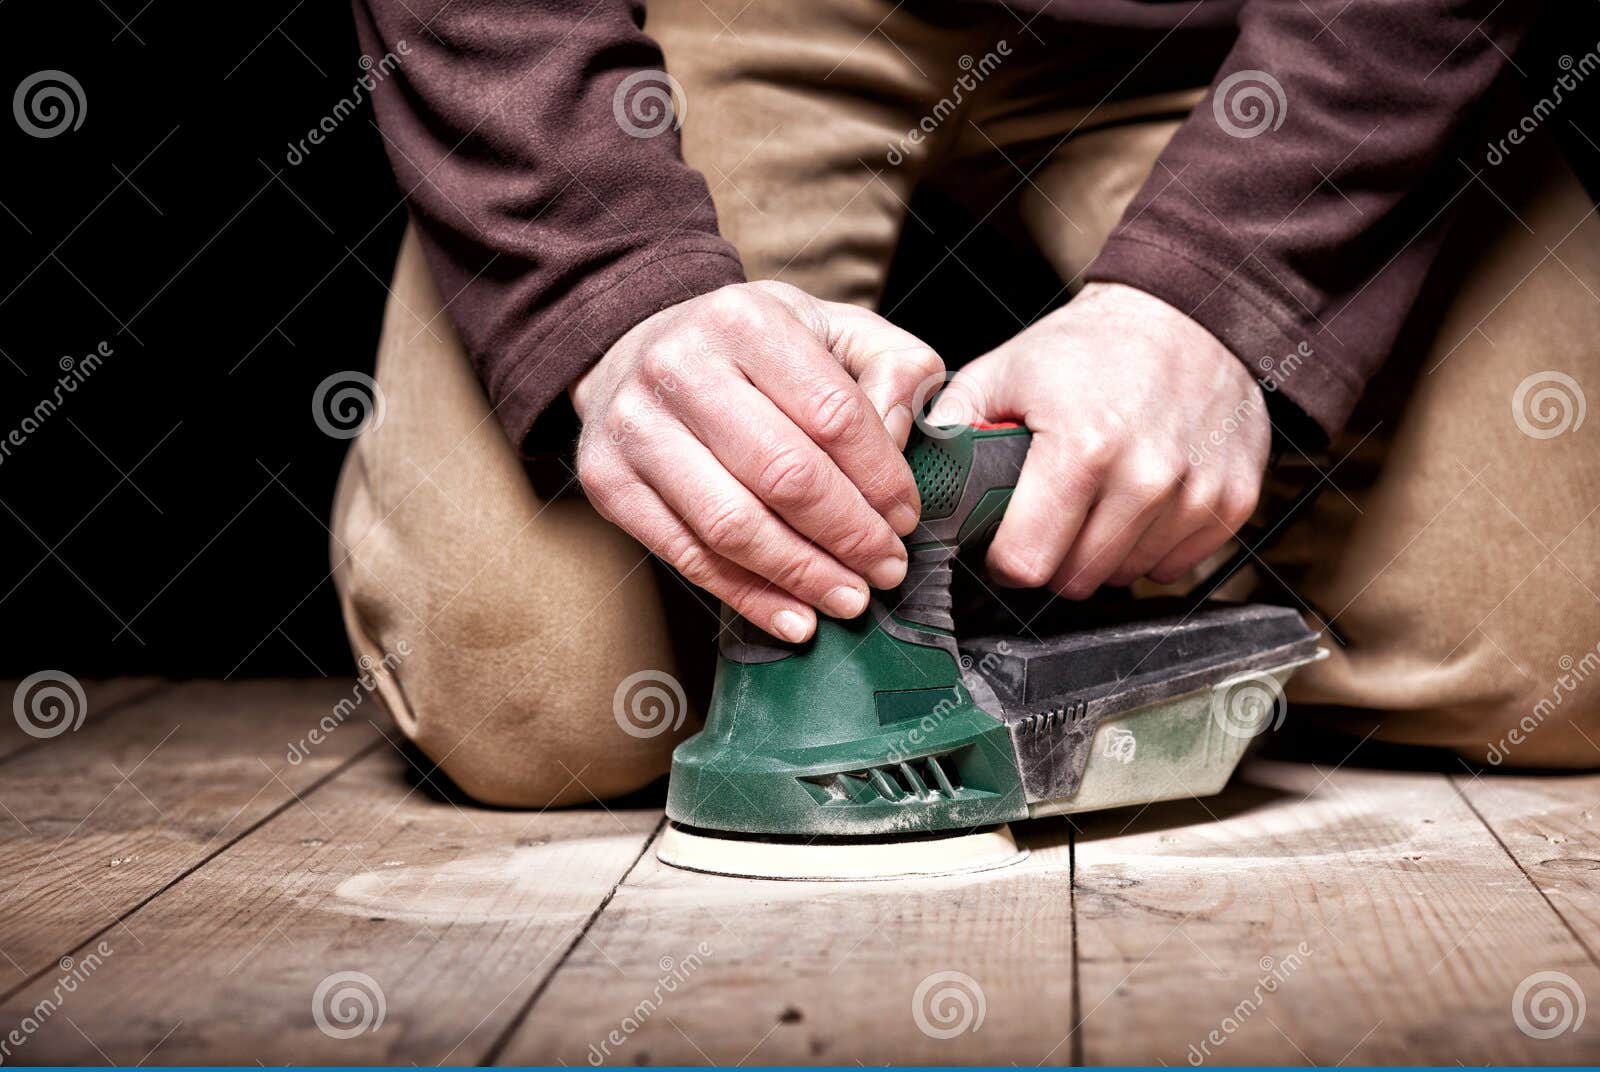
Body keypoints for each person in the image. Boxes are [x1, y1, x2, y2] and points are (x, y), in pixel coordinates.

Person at [332, 0, 1600, 806]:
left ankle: (1105, 576)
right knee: (536, 701)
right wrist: (607, 281)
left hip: (1264, 40)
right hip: (704, 19)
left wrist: (1223, 288)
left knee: (1559, 658)